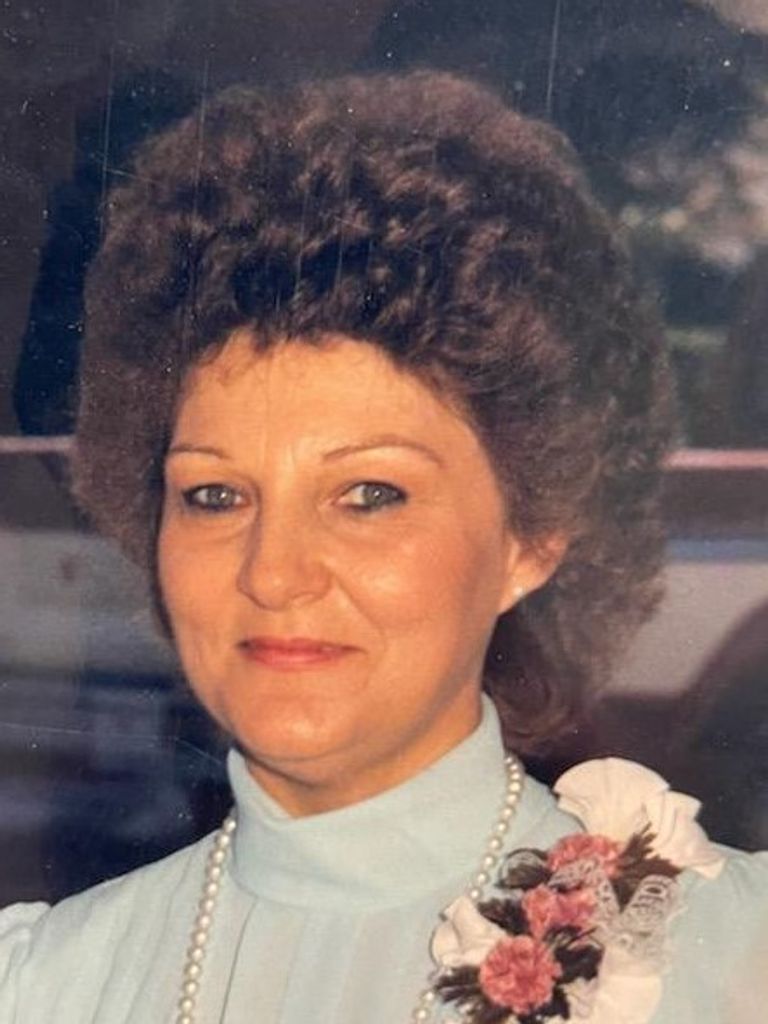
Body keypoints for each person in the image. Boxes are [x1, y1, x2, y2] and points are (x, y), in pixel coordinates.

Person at [1, 70, 765, 1024]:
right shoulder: (42, 985)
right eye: (215, 495)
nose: (274, 572)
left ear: (532, 535)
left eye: (369, 495)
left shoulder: (731, 957)